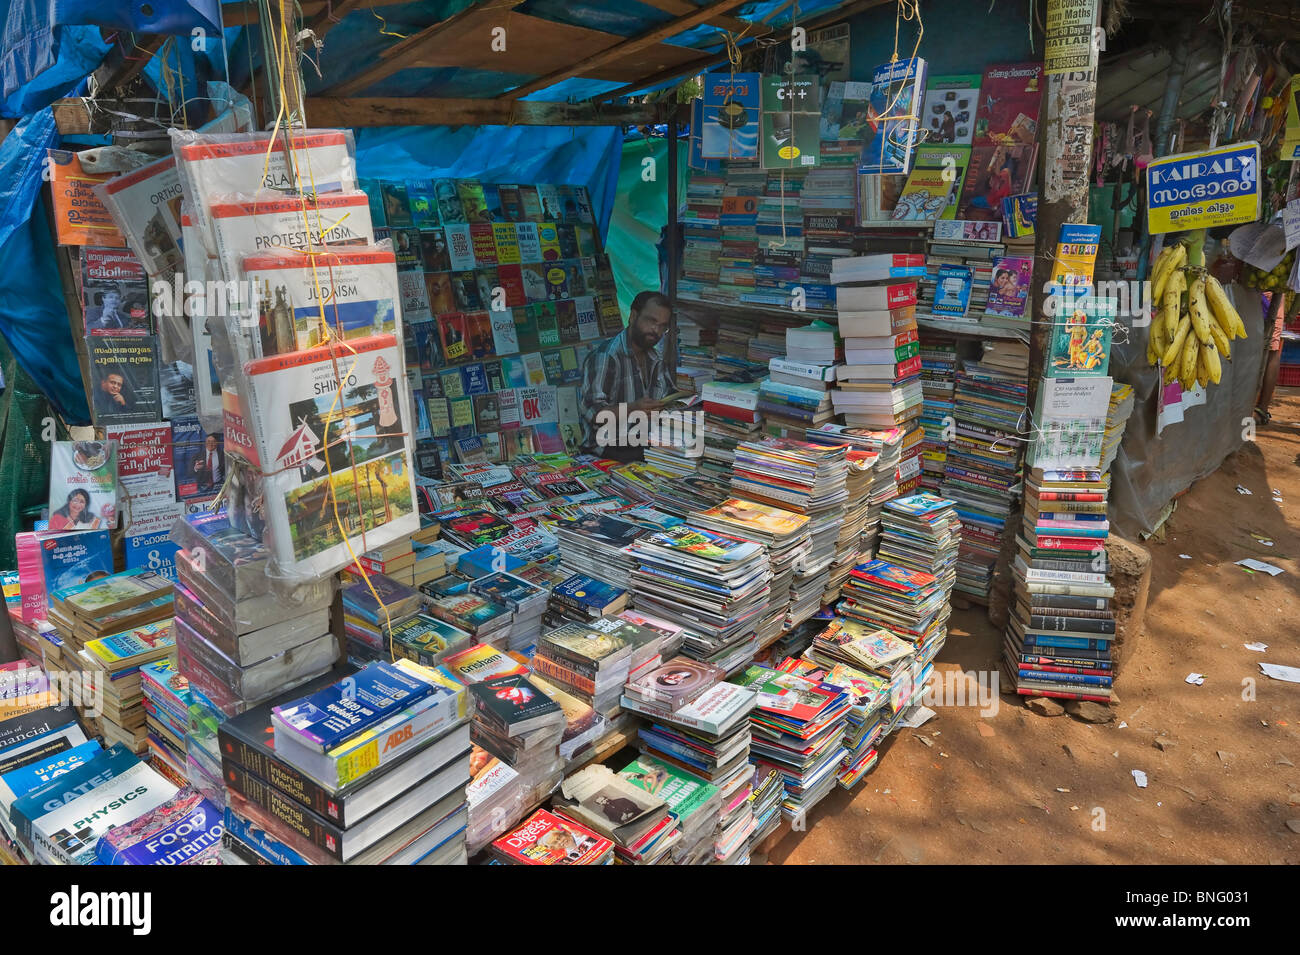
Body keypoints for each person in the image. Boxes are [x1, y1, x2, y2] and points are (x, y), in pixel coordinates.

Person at [578, 291, 674, 462]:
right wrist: (633, 408)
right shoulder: (606, 356)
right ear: (633, 316)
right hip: (607, 452)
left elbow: (668, 398)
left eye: (662, 326)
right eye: (651, 321)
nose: (656, 330)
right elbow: (594, 414)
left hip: (646, 448)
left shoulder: (656, 358)